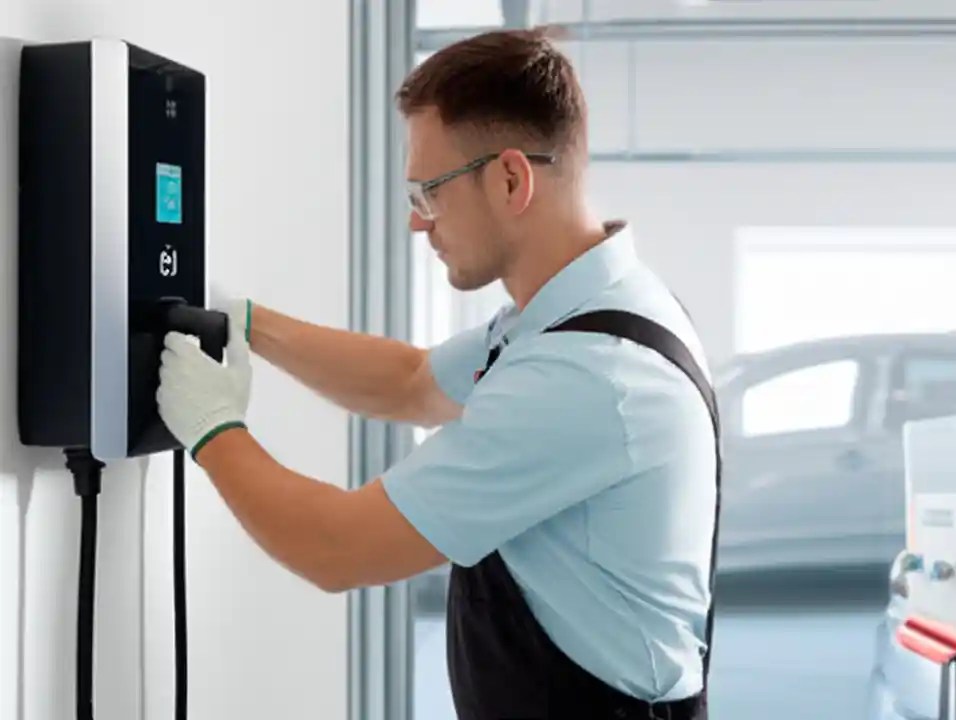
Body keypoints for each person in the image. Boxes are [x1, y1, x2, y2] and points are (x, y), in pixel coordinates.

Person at [156, 27, 720, 720]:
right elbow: (411, 382)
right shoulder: (590, 308)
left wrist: (213, 429)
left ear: (510, 179)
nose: (418, 223)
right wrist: (247, 324)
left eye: (429, 192)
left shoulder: (589, 377)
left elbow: (337, 548)